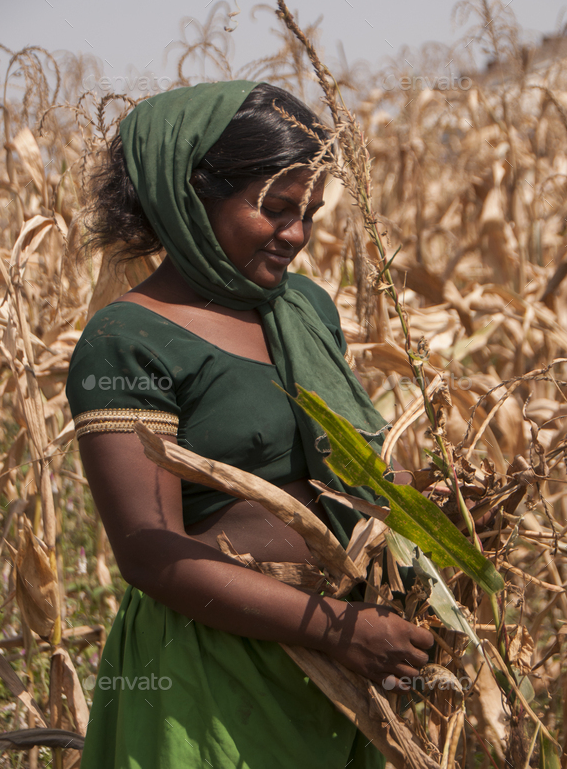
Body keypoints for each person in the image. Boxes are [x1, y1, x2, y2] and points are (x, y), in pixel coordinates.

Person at [65, 80, 433, 769]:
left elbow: (327, 474)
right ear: (193, 195)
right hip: (210, 671)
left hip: (336, 668)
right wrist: (336, 629)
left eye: (310, 212)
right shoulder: (128, 341)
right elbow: (149, 551)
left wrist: (425, 502)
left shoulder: (303, 309)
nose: (296, 234)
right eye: (276, 209)